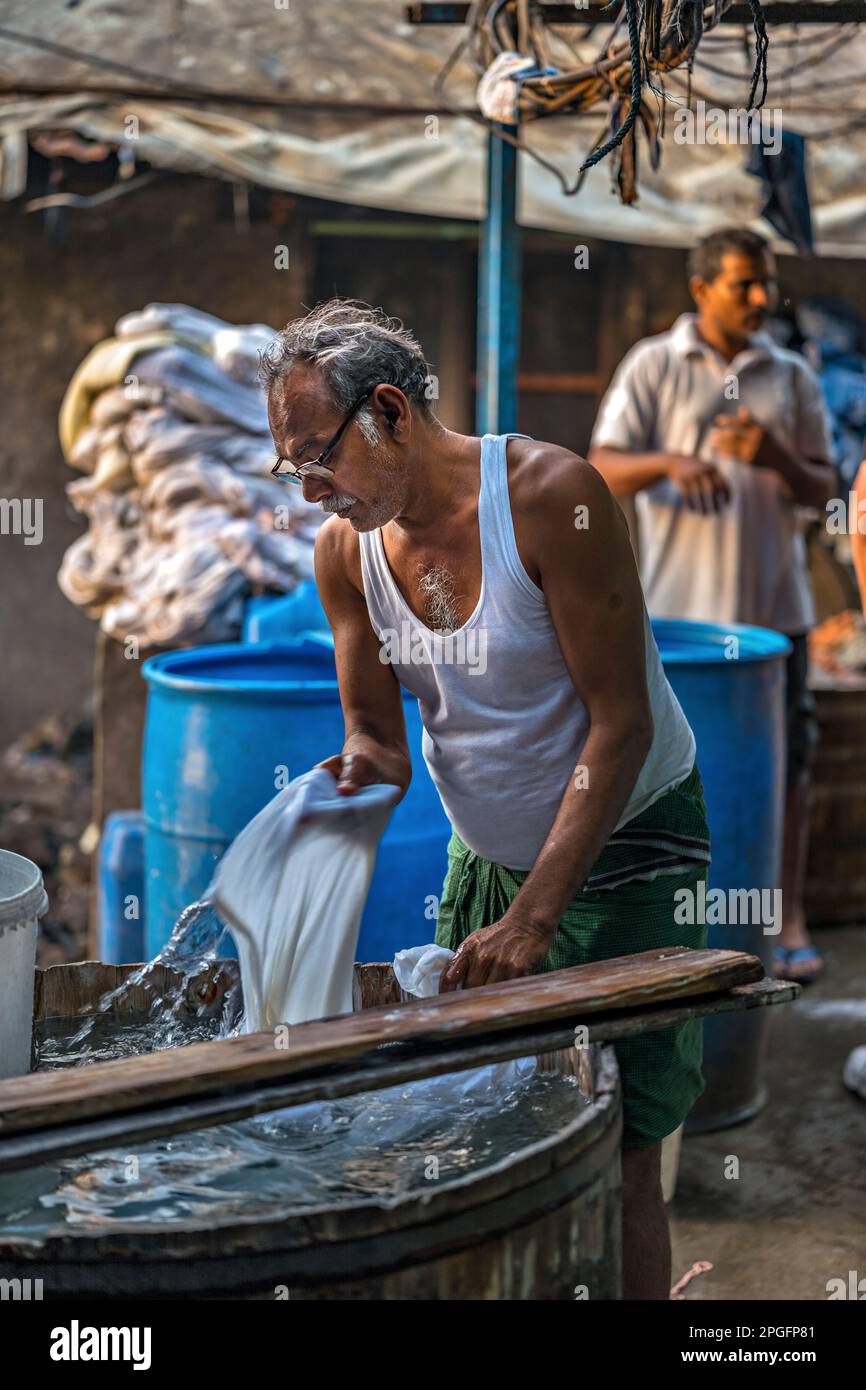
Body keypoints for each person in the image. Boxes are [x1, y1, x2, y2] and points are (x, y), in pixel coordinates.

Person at [261, 298, 712, 1300]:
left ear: (388, 410)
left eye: (317, 455)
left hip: (626, 838)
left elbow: (618, 724)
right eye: (288, 467)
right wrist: (326, 803)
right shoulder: (347, 552)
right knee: (487, 1119)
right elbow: (378, 741)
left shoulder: (553, 498)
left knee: (620, 1137)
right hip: (489, 857)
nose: (309, 487)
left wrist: (535, 915)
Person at [588, 228, 836, 986]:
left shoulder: (789, 373)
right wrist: (670, 459)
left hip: (776, 620)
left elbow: (828, 492)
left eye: (766, 283)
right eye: (742, 285)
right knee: (664, 773)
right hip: (679, 626)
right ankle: (667, 924)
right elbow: (599, 467)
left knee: (784, 768)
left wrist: (774, 457)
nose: (762, 298)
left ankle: (782, 919)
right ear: (700, 289)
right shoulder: (655, 364)